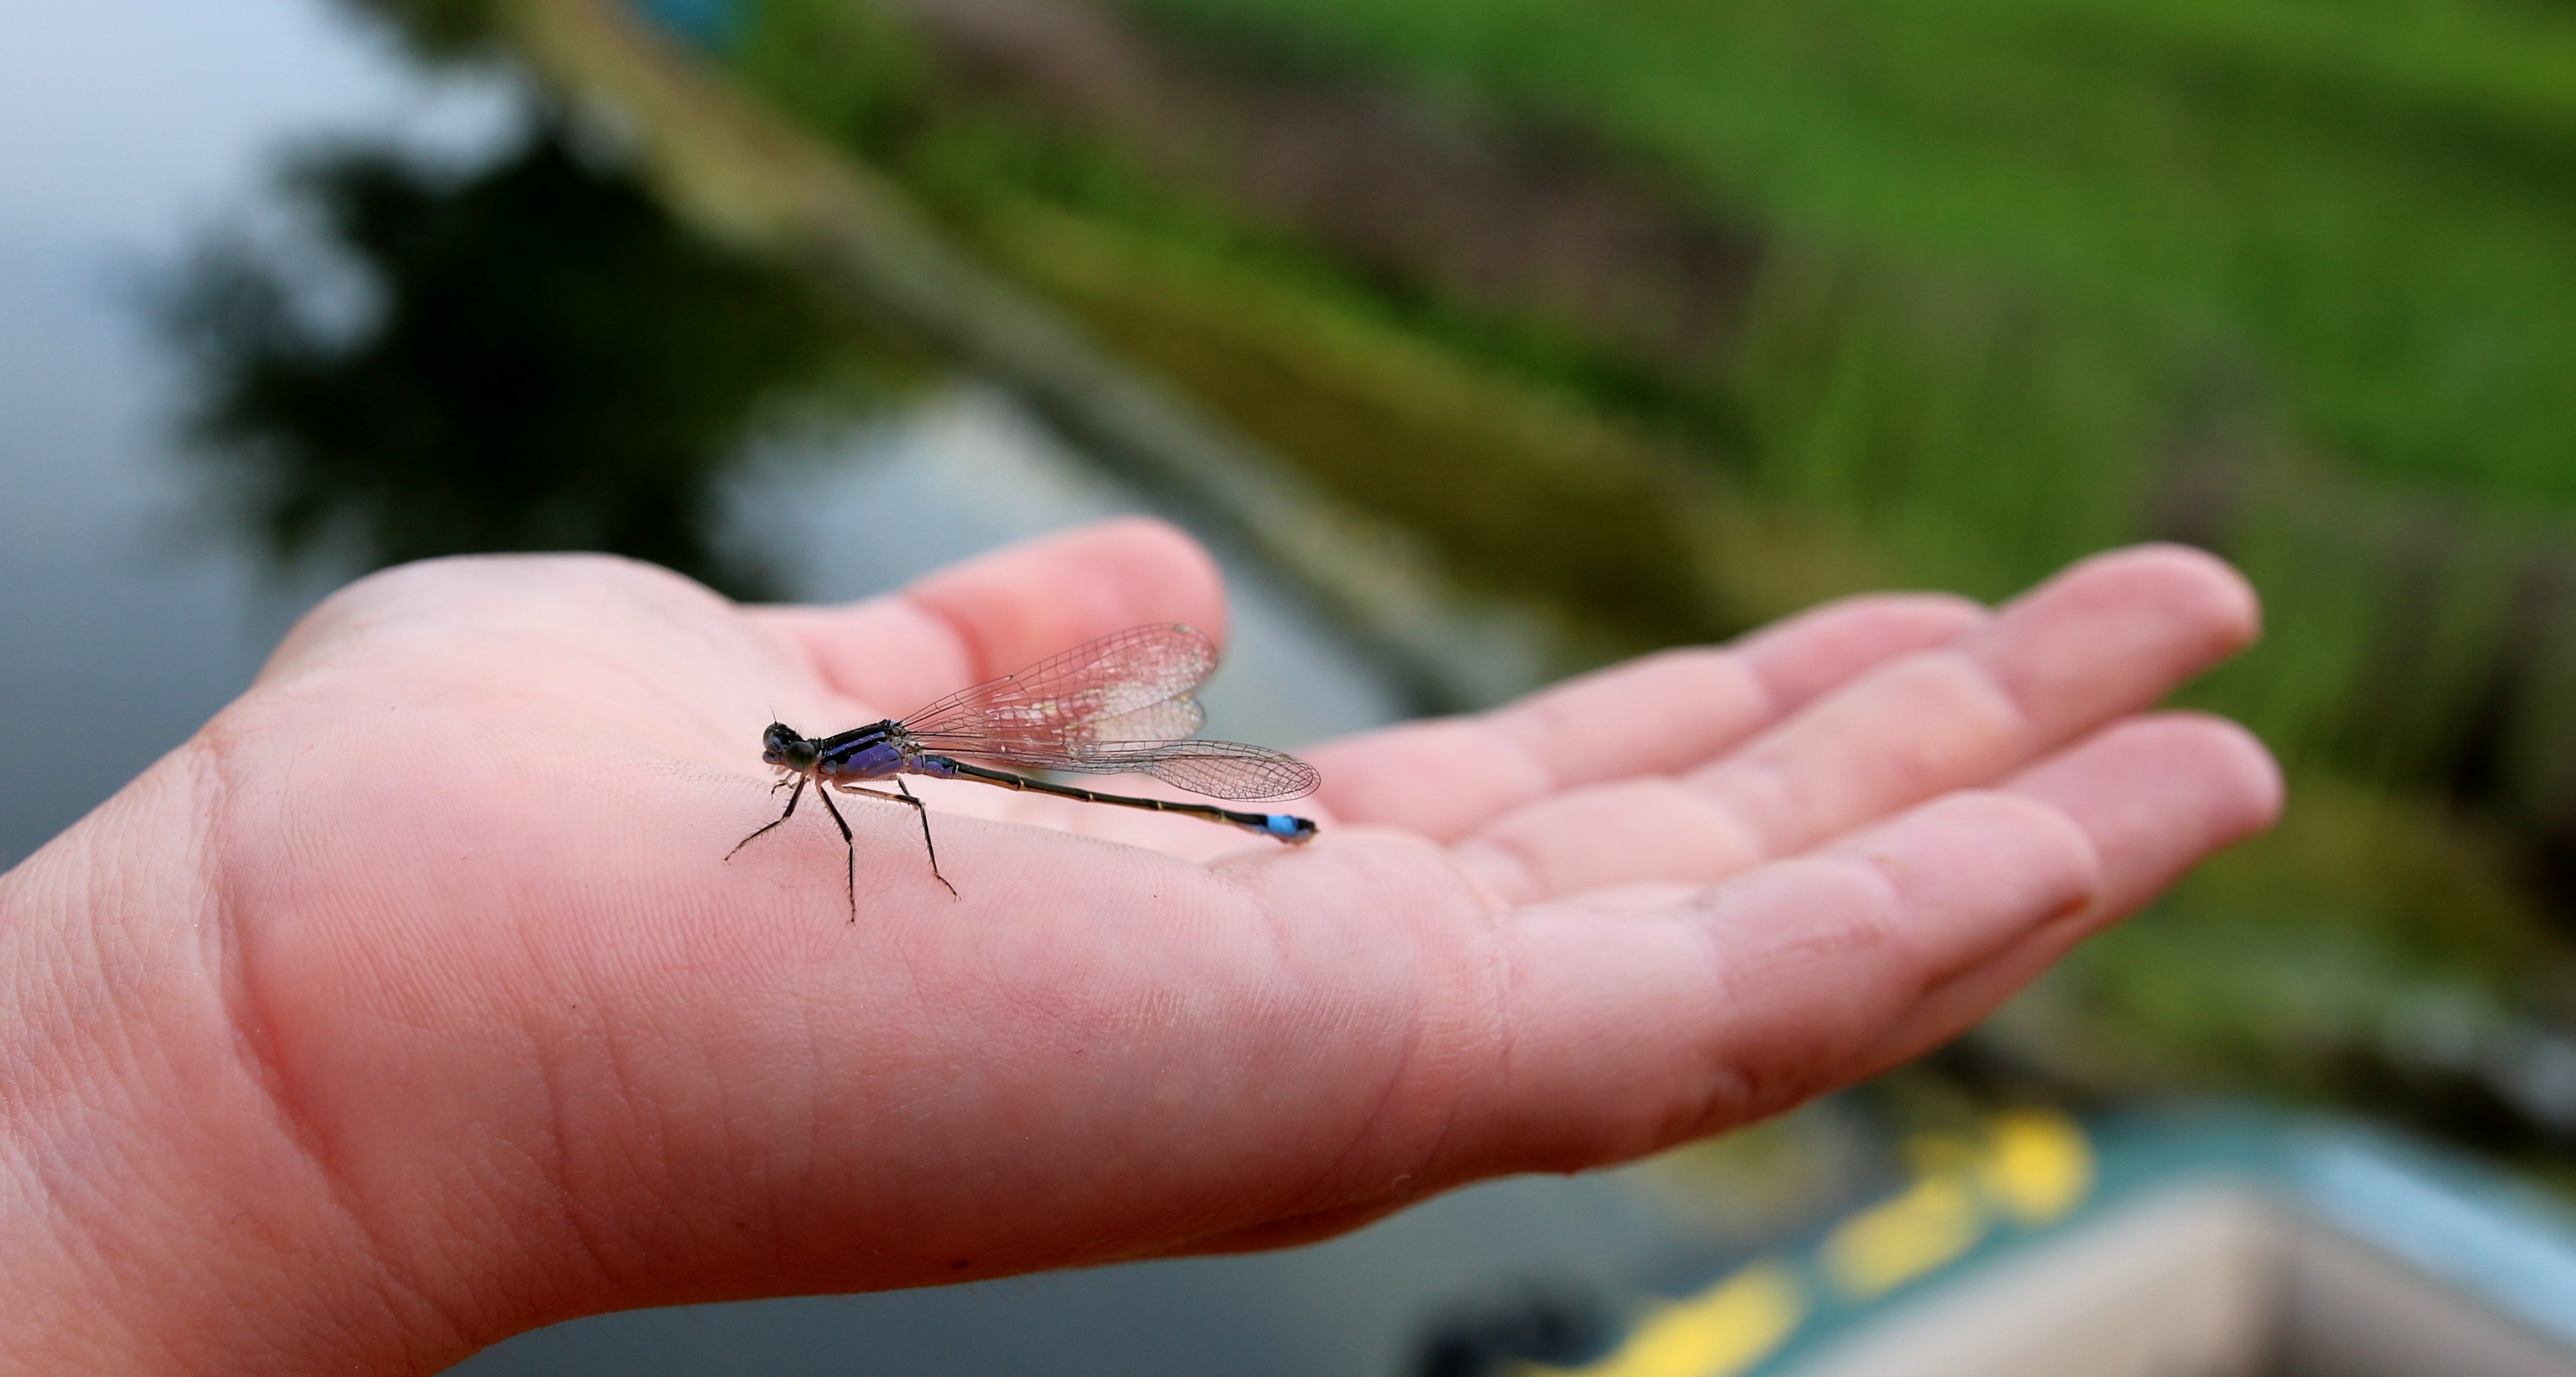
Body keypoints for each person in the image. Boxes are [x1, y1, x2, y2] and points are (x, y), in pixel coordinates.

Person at [0, 517, 2278, 1373]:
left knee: (988, 812)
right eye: (801, 758)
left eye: (808, 757)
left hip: (1063, 762)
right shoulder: (827, 759)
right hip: (1006, 759)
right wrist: (229, 1053)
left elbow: (904, 828)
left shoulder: (886, 774)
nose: (795, 770)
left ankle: (1256, 813)